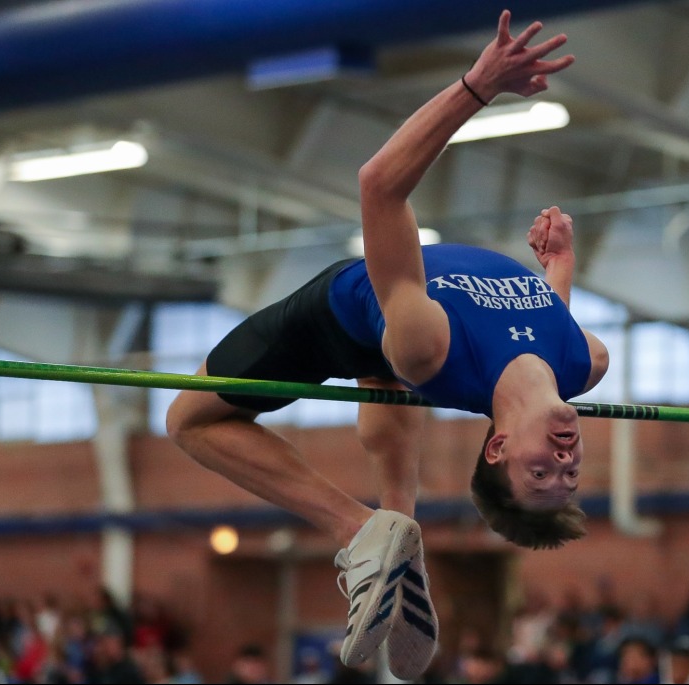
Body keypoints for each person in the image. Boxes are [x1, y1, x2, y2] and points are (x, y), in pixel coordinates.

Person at [166, 8, 608, 681]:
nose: (562, 463)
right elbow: (547, 326)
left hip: (339, 319)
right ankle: (398, 529)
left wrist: (478, 86)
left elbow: (379, 185)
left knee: (188, 419)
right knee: (389, 389)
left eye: (538, 474)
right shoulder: (583, 360)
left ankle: (354, 528)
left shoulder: (427, 344)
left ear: (495, 446)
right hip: (404, 355)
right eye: (568, 476)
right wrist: (556, 263)